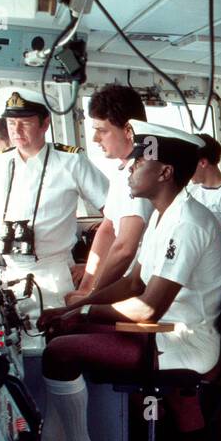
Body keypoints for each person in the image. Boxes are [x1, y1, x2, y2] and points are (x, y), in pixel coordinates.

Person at [34, 122, 221, 441]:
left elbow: (146, 310)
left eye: (139, 161)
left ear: (164, 171)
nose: (129, 169)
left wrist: (83, 314)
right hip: (161, 331)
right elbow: (132, 282)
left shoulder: (188, 224)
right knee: (63, 331)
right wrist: (73, 310)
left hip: (182, 343)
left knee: (59, 355)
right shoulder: (163, 214)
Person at [0, 89, 109, 308]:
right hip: (7, 276)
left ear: (45, 124)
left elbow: (119, 215)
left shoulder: (71, 162)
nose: (16, 130)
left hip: (54, 275)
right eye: (11, 123)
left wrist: (91, 268)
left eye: (25, 122)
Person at [74, 84, 155, 297]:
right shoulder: (123, 170)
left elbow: (125, 248)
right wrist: (86, 287)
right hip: (123, 286)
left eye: (102, 131)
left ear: (129, 131)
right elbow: (108, 229)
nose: (95, 139)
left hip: (141, 289)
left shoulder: (143, 173)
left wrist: (91, 298)